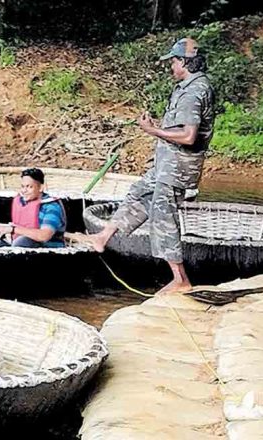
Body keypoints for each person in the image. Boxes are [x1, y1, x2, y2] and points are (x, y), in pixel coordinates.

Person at [76, 38, 215, 295]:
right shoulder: (187, 87)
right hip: (166, 165)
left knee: (163, 216)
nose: (171, 67)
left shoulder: (194, 91)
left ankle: (180, 279)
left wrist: (153, 130)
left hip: (177, 169)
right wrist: (157, 129)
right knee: (138, 193)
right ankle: (103, 237)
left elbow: (188, 136)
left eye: (173, 62)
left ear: (184, 62)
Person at [0, 168, 66, 249]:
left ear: (40, 188)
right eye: (22, 186)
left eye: (29, 187)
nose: (24, 191)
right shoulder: (22, 202)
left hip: (45, 248)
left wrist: (13, 229)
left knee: (22, 241)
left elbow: (44, 236)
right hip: (16, 245)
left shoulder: (52, 207)